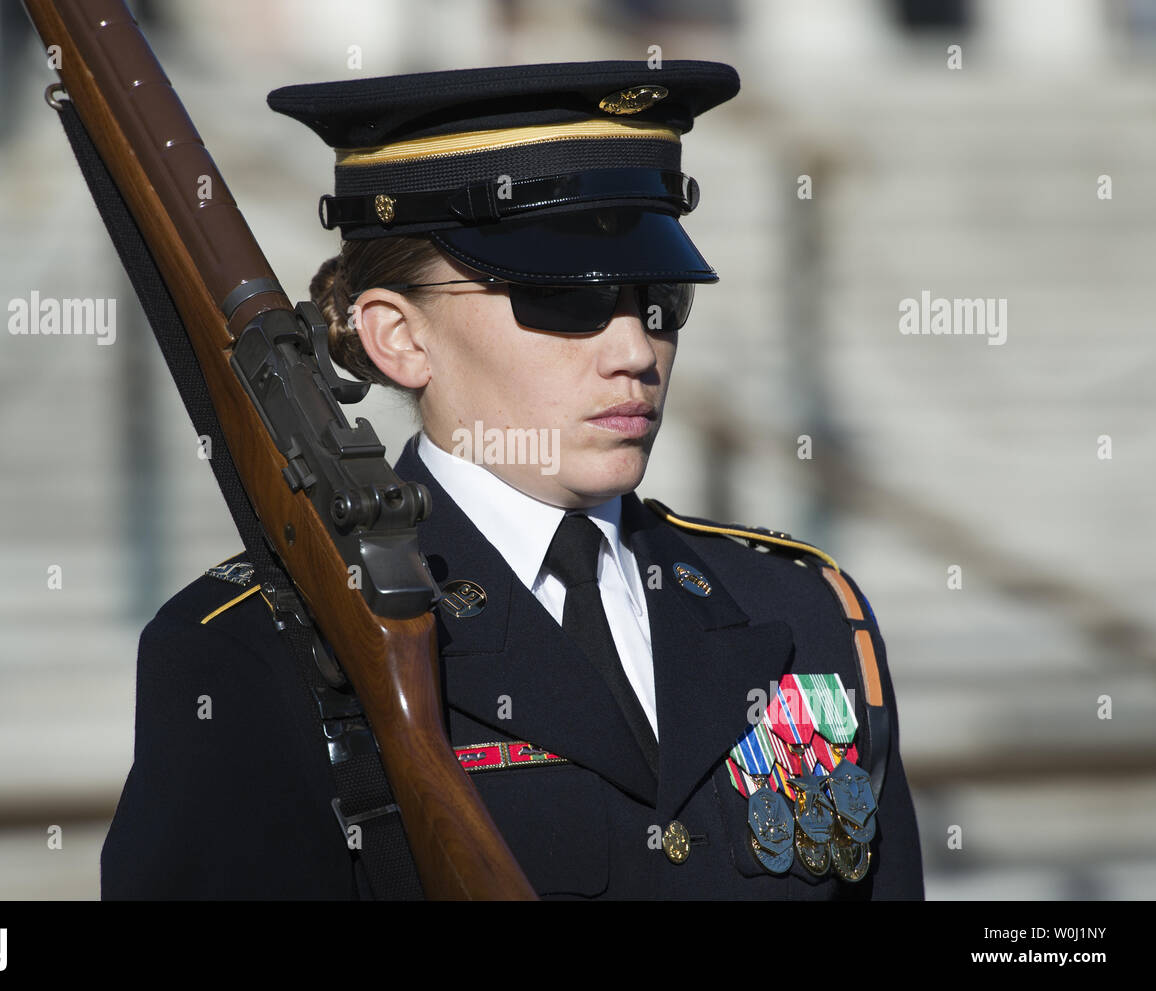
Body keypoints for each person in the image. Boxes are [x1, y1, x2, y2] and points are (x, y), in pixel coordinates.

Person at [101, 60, 924, 900]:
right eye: (562, 300)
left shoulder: (800, 611)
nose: (636, 352)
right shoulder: (259, 652)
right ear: (398, 338)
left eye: (658, 299)